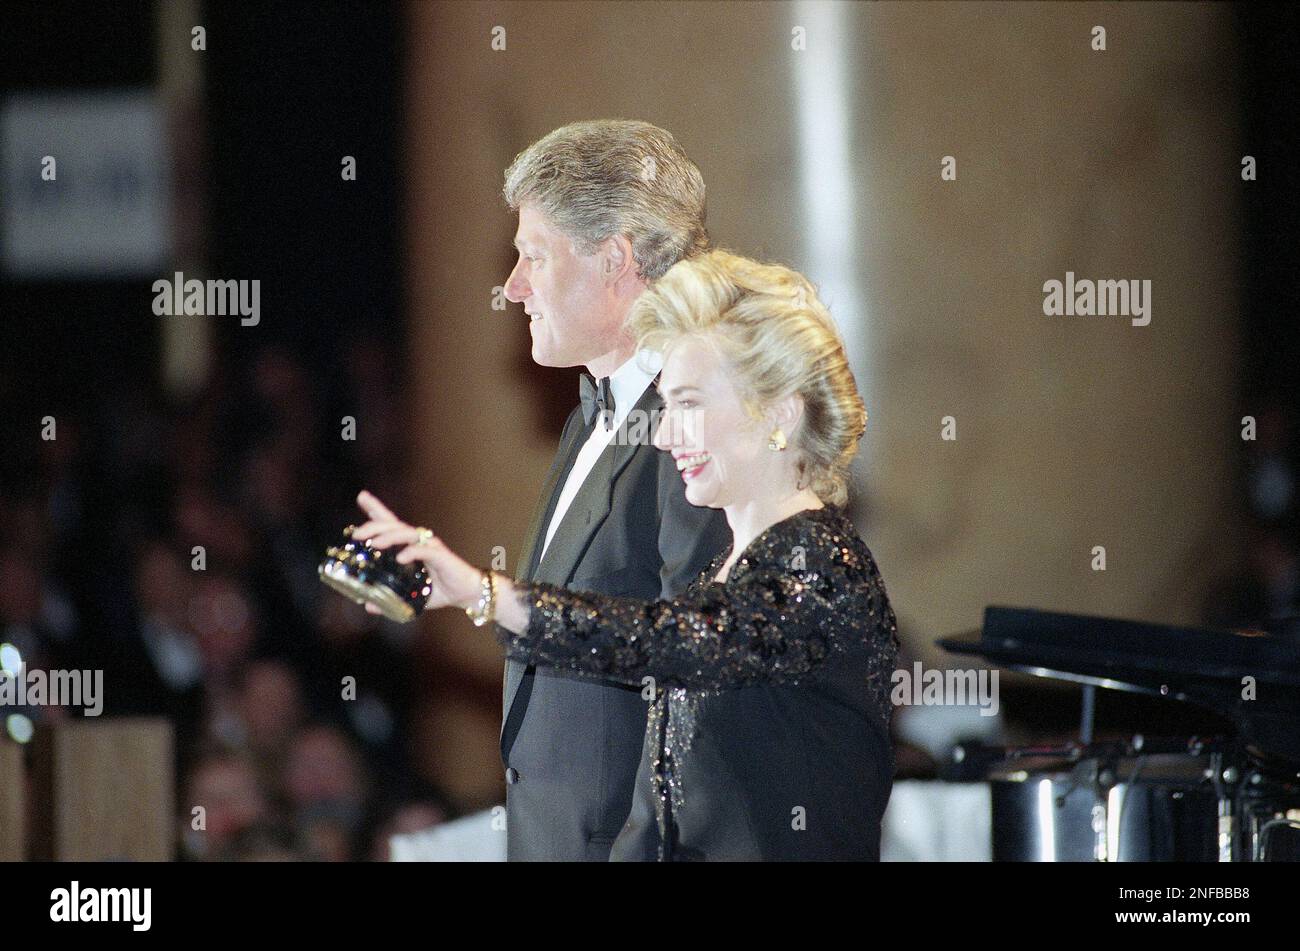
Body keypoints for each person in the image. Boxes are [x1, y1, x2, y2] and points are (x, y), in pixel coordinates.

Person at [356, 249, 899, 860]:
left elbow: (673, 641)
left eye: (689, 404)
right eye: (666, 406)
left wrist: (488, 593)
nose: (665, 436)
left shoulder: (819, 561)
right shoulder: (721, 578)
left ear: (778, 413)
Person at [363, 120, 730, 861]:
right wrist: (468, 590)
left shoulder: (692, 430)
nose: (513, 287)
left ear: (615, 260)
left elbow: (695, 678)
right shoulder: (588, 419)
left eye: (533, 256)